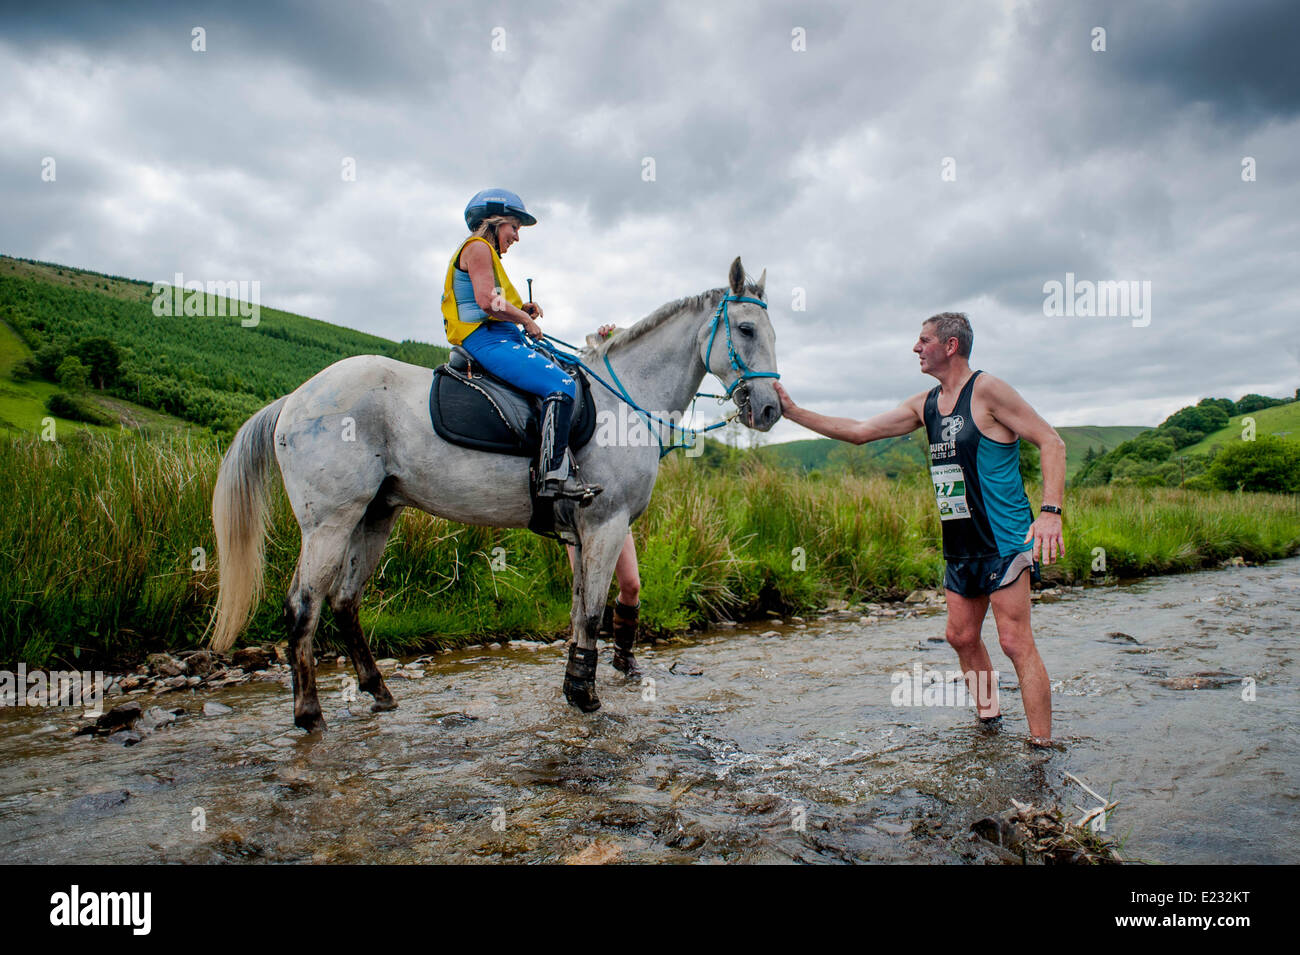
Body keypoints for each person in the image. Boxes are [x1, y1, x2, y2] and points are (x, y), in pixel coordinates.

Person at [774, 312, 1066, 747]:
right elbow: (859, 432)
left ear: (950, 345)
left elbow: (1051, 441)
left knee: (1013, 641)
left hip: (1005, 538)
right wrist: (792, 411)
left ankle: (1042, 747)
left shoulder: (987, 390)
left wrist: (1050, 512)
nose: (915, 347)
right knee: (961, 636)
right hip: (961, 542)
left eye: (923, 340)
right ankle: (990, 723)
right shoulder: (923, 404)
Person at [440, 187, 602, 503]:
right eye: (513, 226)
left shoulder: (483, 253)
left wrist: (520, 312)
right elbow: (487, 301)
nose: (516, 236)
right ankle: (553, 476)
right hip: (487, 340)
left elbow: (494, 302)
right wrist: (525, 321)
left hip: (498, 335)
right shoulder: (478, 248)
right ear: (493, 220)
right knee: (562, 384)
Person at [565, 323, 642, 676]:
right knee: (583, 591)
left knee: (631, 586)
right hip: (580, 508)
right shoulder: (579, 394)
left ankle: (623, 654)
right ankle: (577, 662)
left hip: (616, 510)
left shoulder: (630, 407)